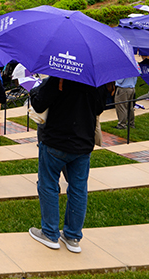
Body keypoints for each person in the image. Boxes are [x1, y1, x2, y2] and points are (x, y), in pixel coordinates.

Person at [28, 76, 107, 253]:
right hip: (82, 142)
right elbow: (99, 107)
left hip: (56, 141)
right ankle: (73, 236)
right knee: (78, 189)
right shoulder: (96, 79)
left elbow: (39, 104)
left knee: (48, 185)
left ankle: (49, 233)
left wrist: (35, 91)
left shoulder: (60, 75)